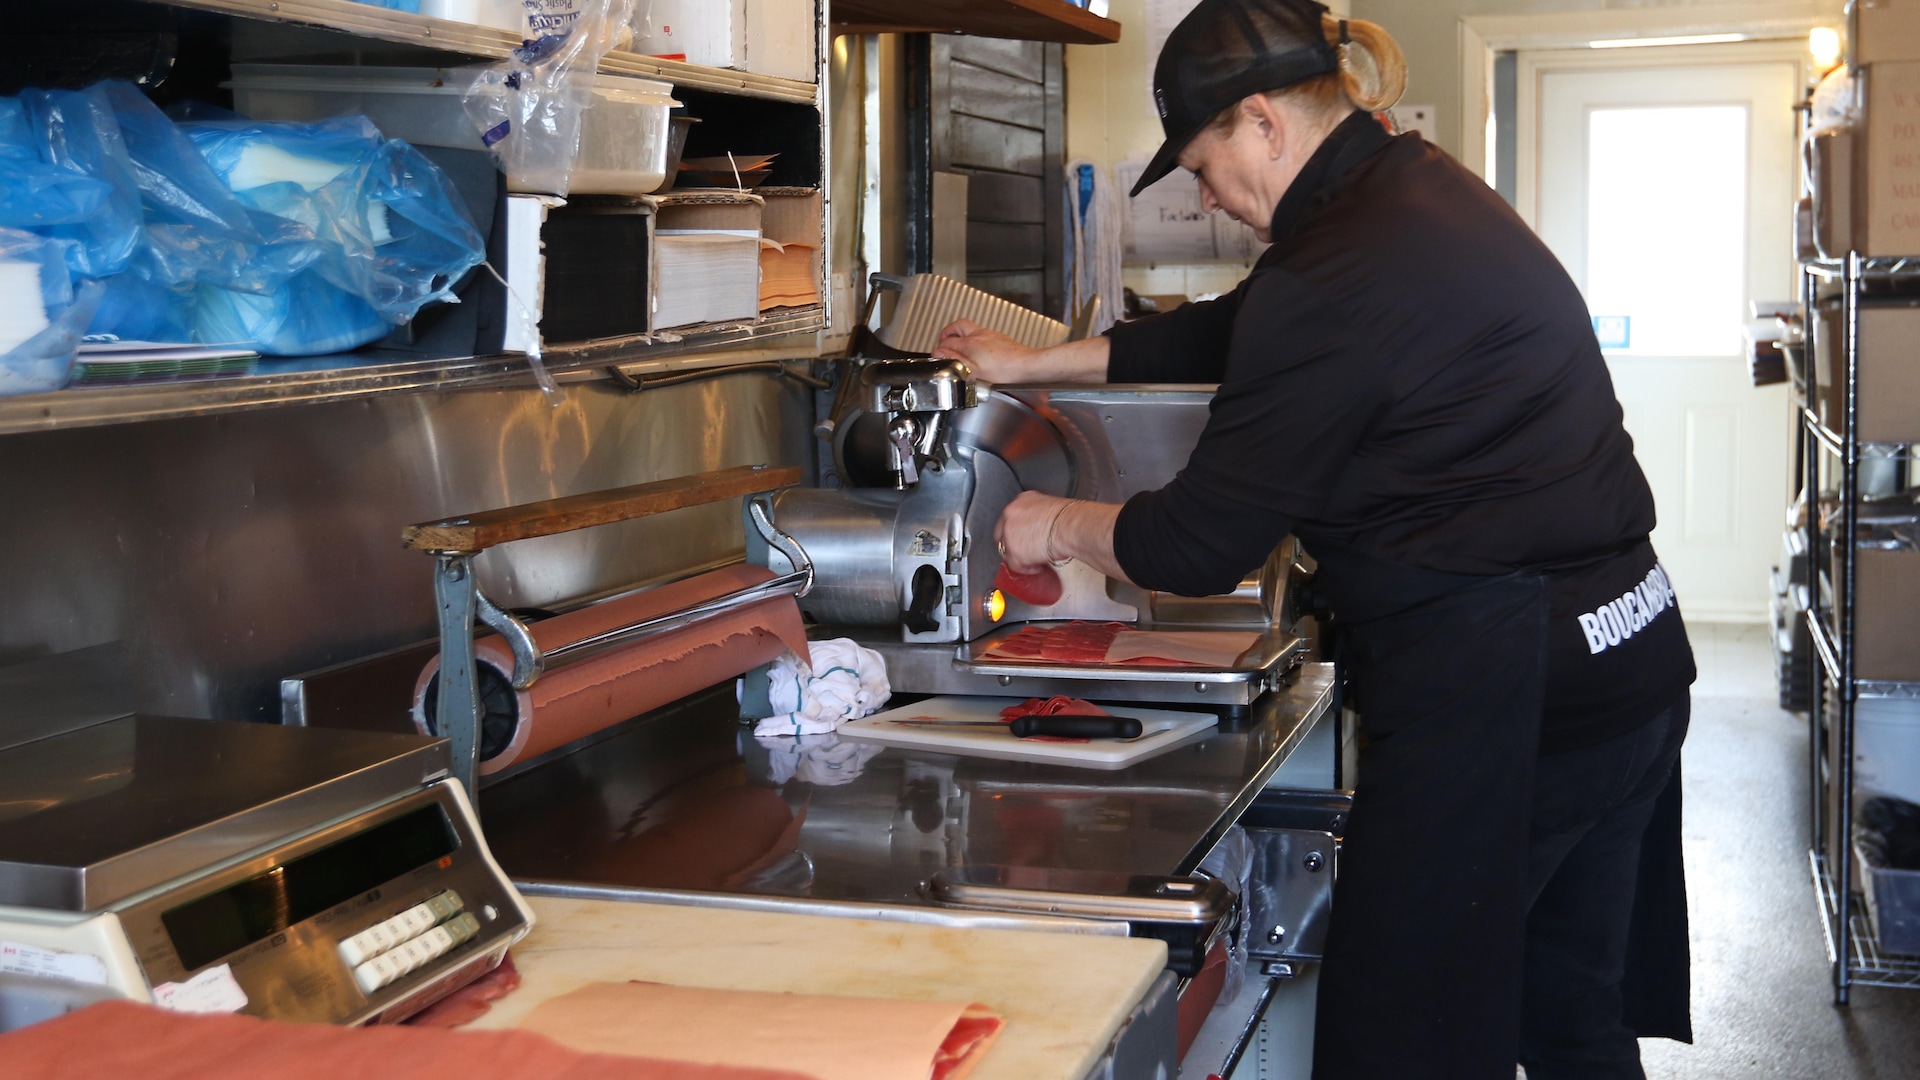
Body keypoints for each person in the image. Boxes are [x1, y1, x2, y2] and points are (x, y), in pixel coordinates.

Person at [930, 1, 1696, 1077]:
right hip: (1626, 659)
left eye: (1202, 166)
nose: (1208, 198)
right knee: (1568, 1014)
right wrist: (1034, 363)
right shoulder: (1408, 189)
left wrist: (1053, 522)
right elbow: (1230, 328)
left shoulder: (1334, 268)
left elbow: (1198, 544)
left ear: (1261, 122)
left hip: (1504, 689)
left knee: (1403, 1047)